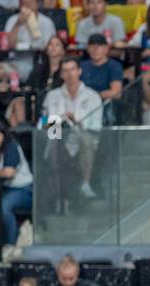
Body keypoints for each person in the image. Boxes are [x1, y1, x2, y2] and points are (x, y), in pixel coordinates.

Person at [41, 55, 104, 203]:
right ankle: (56, 189)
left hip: (83, 136)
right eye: (65, 71)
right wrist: (62, 119)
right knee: (54, 141)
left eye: (73, 70)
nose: (69, 74)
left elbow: (96, 127)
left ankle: (86, 184)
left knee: (86, 139)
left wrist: (78, 123)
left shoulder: (93, 96)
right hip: (58, 136)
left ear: (79, 71)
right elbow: (45, 124)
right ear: (61, 74)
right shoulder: (52, 96)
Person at [4, 0, 57, 84]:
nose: (27, 7)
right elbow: (8, 45)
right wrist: (18, 24)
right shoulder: (12, 20)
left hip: (38, 63)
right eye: (24, 4)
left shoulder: (46, 22)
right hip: (15, 62)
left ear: (37, 4)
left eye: (30, 3)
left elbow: (49, 46)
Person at [80, 34, 123, 121]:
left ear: (106, 48)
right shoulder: (82, 66)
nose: (95, 50)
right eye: (92, 46)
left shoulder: (114, 66)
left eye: (99, 46)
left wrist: (94, 97)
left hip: (104, 106)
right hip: (81, 105)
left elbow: (116, 92)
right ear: (88, 48)